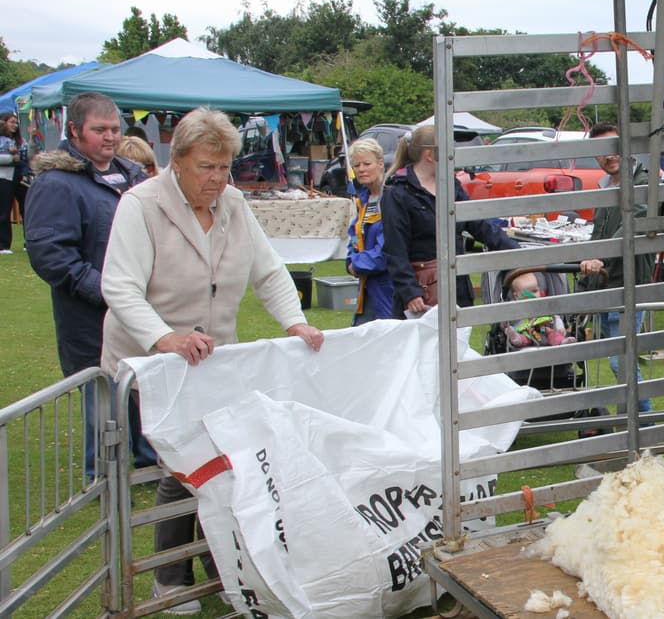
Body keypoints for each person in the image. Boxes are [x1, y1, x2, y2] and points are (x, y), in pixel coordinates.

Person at [99, 107, 324, 614]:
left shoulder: (234, 204)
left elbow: (268, 271)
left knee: (217, 463)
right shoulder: (141, 205)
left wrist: (296, 322)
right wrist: (164, 337)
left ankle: (213, 567)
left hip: (211, 359)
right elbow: (118, 286)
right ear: (175, 160)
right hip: (149, 364)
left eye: (224, 168)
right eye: (206, 167)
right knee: (181, 464)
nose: (217, 179)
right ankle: (172, 579)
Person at [24, 93, 157, 481]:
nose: (110, 137)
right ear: (75, 131)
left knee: (140, 387)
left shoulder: (131, 175)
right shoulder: (56, 184)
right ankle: (102, 475)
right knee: (101, 393)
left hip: (136, 307)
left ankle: (146, 460)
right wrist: (109, 292)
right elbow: (51, 256)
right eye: (99, 130)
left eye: (115, 129)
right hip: (89, 315)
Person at [380, 124, 520, 315]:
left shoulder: (451, 186)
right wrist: (410, 292)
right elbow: (395, 249)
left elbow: (479, 224)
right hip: (420, 295)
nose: (453, 155)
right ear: (430, 155)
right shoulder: (397, 193)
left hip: (458, 288)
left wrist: (517, 252)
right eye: (448, 150)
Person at [579, 122, 655, 413]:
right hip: (610, 283)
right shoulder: (603, 185)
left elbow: (633, 223)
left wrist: (602, 258)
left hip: (633, 281)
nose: (608, 156)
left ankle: (644, 428)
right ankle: (634, 429)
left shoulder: (643, 181)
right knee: (619, 355)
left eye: (613, 149)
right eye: (601, 151)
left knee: (619, 359)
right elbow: (599, 234)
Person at [345, 138, 393, 324]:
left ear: (380, 163)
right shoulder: (362, 200)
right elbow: (354, 238)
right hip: (366, 290)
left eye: (367, 163)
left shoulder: (391, 197)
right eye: (357, 165)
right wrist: (351, 259)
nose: (361, 169)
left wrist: (355, 265)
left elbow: (387, 249)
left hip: (388, 289)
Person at [503, 272, 577, 348]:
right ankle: (516, 339)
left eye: (535, 291)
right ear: (516, 295)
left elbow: (555, 316)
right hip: (526, 332)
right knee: (524, 337)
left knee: (553, 334)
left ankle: (562, 341)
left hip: (544, 330)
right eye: (527, 292)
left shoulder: (543, 305)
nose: (533, 295)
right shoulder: (514, 307)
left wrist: (560, 326)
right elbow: (508, 320)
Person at [0, 111, 26, 254]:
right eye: (12, 122)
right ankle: (3, 244)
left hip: (20, 176)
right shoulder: (2, 140)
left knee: (27, 208)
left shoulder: (20, 141)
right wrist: (12, 158)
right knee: (4, 210)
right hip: (5, 177)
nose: (15, 126)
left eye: (16, 123)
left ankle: (29, 242)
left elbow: (26, 157)